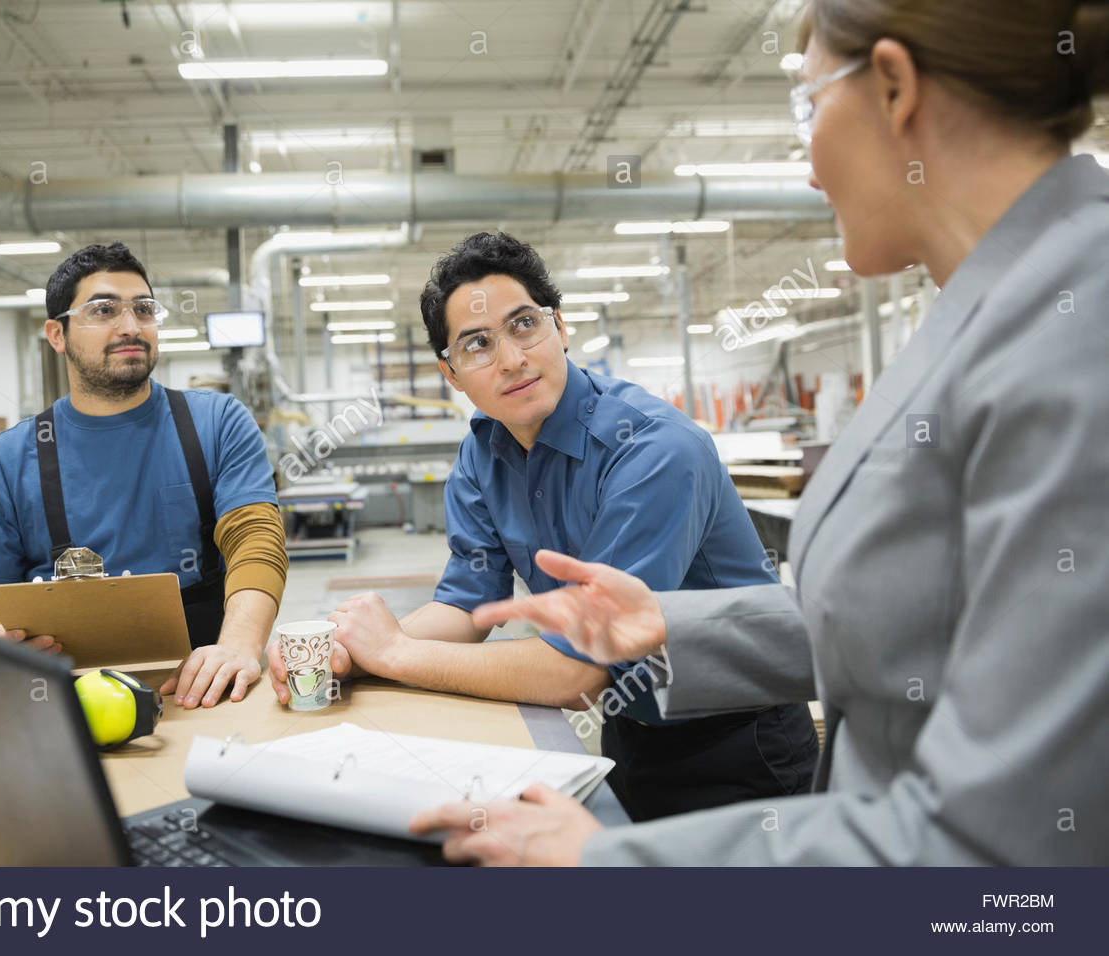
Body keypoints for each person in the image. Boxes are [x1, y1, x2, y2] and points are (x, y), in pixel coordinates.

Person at [409, 0, 1109, 865]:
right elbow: (914, 619)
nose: (810, 167)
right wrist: (671, 627)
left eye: (806, 106)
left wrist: (612, 864)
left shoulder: (1078, 331)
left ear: (893, 86)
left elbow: (1007, 835)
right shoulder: (1000, 307)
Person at [267, 232, 818, 821]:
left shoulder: (655, 450)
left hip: (741, 743)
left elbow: (576, 670)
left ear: (560, 327)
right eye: (477, 344)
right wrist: (350, 649)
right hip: (629, 730)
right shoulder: (483, 455)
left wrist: (396, 654)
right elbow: (465, 605)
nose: (511, 358)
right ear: (451, 372)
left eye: (524, 325)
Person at [0, 242, 287, 710]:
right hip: (60, 695)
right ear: (57, 334)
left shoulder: (217, 422)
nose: (130, 326)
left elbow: (255, 539)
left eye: (144, 310)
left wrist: (240, 644)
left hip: (205, 684)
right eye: (103, 310)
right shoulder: (9, 458)